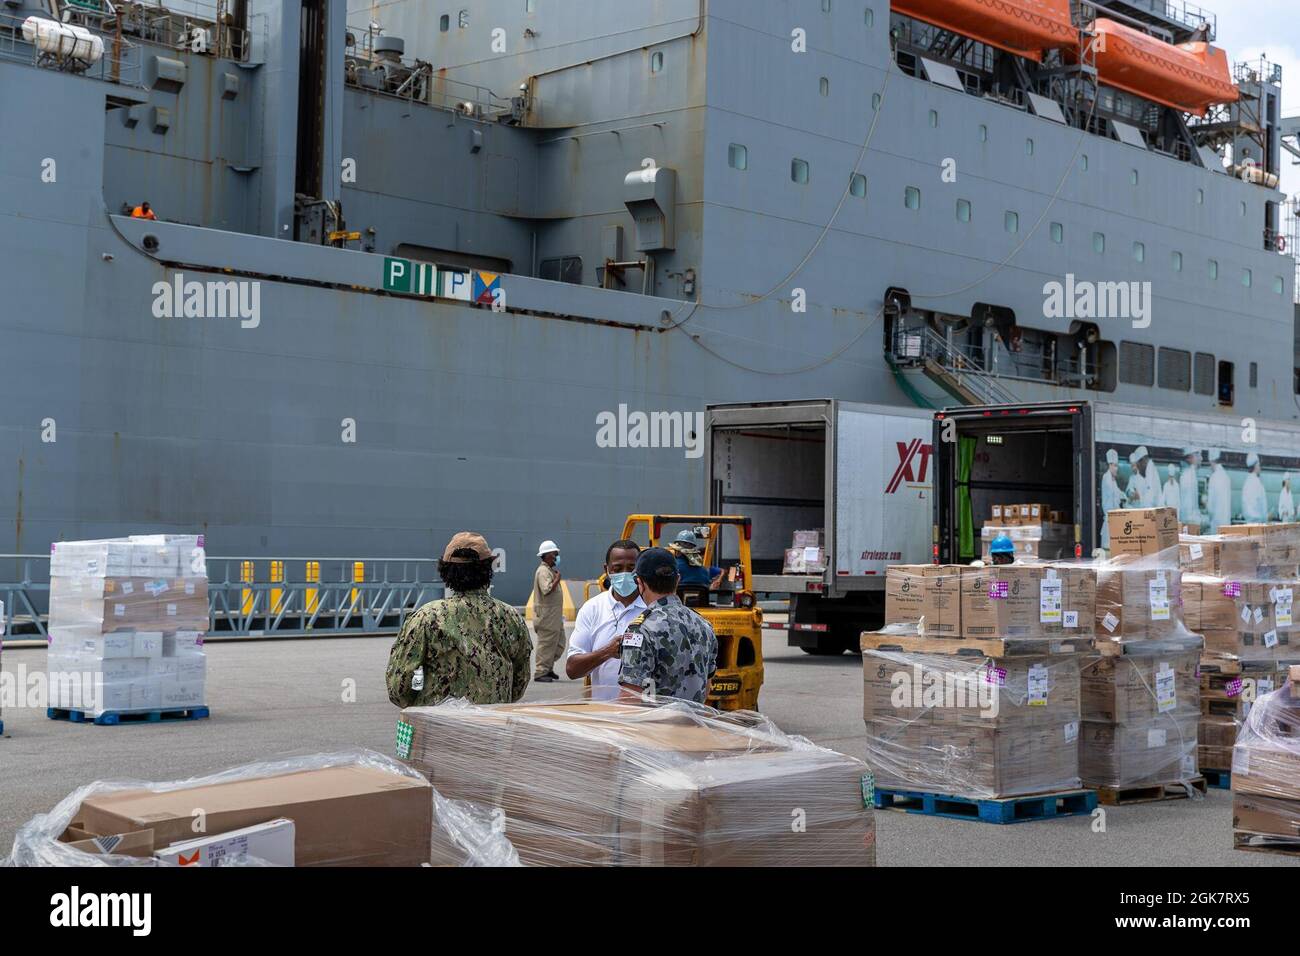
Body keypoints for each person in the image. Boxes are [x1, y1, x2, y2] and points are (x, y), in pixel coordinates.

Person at [385, 532, 532, 707]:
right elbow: (518, 685)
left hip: (438, 728)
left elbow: (399, 690)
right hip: (493, 727)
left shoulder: (426, 618)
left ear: (446, 572)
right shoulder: (512, 617)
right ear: (488, 569)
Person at [618, 547, 718, 703]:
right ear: (677, 579)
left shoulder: (640, 630)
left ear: (640, 582)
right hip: (694, 724)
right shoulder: (704, 625)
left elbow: (630, 699)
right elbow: (706, 688)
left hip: (655, 726)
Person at [565, 539, 645, 700]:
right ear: (606, 569)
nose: (625, 574)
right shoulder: (592, 609)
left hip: (645, 715)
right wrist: (607, 652)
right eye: (617, 569)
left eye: (631, 568)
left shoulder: (653, 609)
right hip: (604, 713)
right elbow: (572, 669)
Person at [531, 540, 565, 682]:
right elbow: (547, 589)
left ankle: (548, 668)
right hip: (547, 617)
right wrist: (557, 580)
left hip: (554, 616)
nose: (557, 556)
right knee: (546, 644)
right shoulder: (543, 571)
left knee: (559, 643)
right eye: (554, 554)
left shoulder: (549, 570)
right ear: (547, 556)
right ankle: (541, 671)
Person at [1100, 449, 1123, 549]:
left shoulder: (1114, 481)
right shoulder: (1106, 478)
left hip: (1115, 522)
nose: (1116, 469)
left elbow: (1119, 495)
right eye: (1114, 466)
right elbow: (1113, 495)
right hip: (1109, 523)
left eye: (1117, 466)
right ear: (1110, 465)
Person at [1207, 449, 1232, 532]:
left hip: (1216, 524)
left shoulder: (1213, 478)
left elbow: (1210, 507)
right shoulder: (1226, 477)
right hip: (1226, 524)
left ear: (1211, 461)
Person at [1179, 448, 1203, 533]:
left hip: (1191, 522)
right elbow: (1188, 505)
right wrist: (1195, 522)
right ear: (1192, 457)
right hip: (1190, 522)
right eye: (1199, 455)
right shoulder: (1188, 476)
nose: (1201, 458)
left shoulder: (1191, 474)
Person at [1242, 453, 1268, 524]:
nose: (1260, 468)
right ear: (1256, 466)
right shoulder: (1255, 483)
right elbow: (1259, 507)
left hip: (1253, 524)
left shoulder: (1248, 482)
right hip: (1257, 524)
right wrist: (1265, 518)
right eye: (1259, 465)